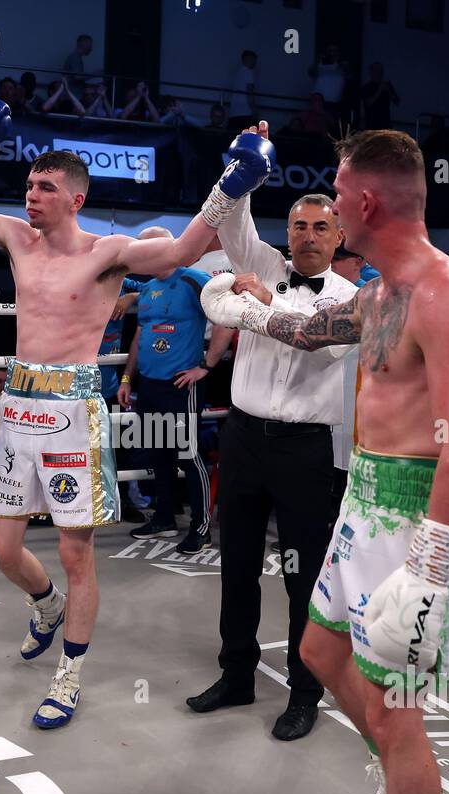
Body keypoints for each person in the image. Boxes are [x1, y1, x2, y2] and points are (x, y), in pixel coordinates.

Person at [202, 128, 449, 794]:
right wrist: (244, 310)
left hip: (417, 517)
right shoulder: (377, 292)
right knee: (320, 651)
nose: (329, 203)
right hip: (363, 495)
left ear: (364, 201)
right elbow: (306, 330)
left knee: (400, 718)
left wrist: (428, 570)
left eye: (336, 191)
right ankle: (398, 786)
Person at [0, 92, 271, 729]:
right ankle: (46, 606)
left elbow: (180, 252)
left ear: (75, 199)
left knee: (75, 553)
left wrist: (232, 186)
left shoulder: (107, 253)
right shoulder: (16, 237)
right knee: (4, 550)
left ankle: (70, 674)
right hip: (17, 410)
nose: (31, 195)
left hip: (71, 412)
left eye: (46, 187)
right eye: (30, 183)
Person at [186, 154, 359, 743]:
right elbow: (231, 220)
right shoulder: (261, 263)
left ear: (338, 236)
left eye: (320, 227)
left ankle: (305, 692)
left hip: (306, 449)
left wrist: (263, 302)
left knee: (303, 575)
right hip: (243, 438)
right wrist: (242, 166)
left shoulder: (350, 297)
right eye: (299, 226)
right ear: (287, 233)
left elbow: (319, 345)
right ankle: (236, 674)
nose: (308, 237)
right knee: (235, 562)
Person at [116, 226, 227, 553]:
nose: (142, 256)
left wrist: (205, 365)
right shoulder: (149, 288)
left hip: (181, 384)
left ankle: (201, 527)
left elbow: (224, 319)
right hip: (149, 384)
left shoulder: (195, 279)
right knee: (159, 455)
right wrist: (126, 378)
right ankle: (164, 516)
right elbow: (140, 336)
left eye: (147, 249)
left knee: (188, 455)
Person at [360, 62, 399, 129]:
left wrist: (389, 91)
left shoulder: (387, 85)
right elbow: (368, 103)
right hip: (371, 124)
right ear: (371, 72)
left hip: (386, 124)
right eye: (376, 70)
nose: (378, 73)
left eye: (380, 70)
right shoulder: (366, 87)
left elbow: (396, 101)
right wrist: (379, 90)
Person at [228, 50, 258, 129]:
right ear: (248, 59)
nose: (255, 62)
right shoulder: (248, 72)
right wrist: (254, 110)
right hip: (245, 111)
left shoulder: (237, 73)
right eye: (254, 59)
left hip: (234, 112)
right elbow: (249, 92)